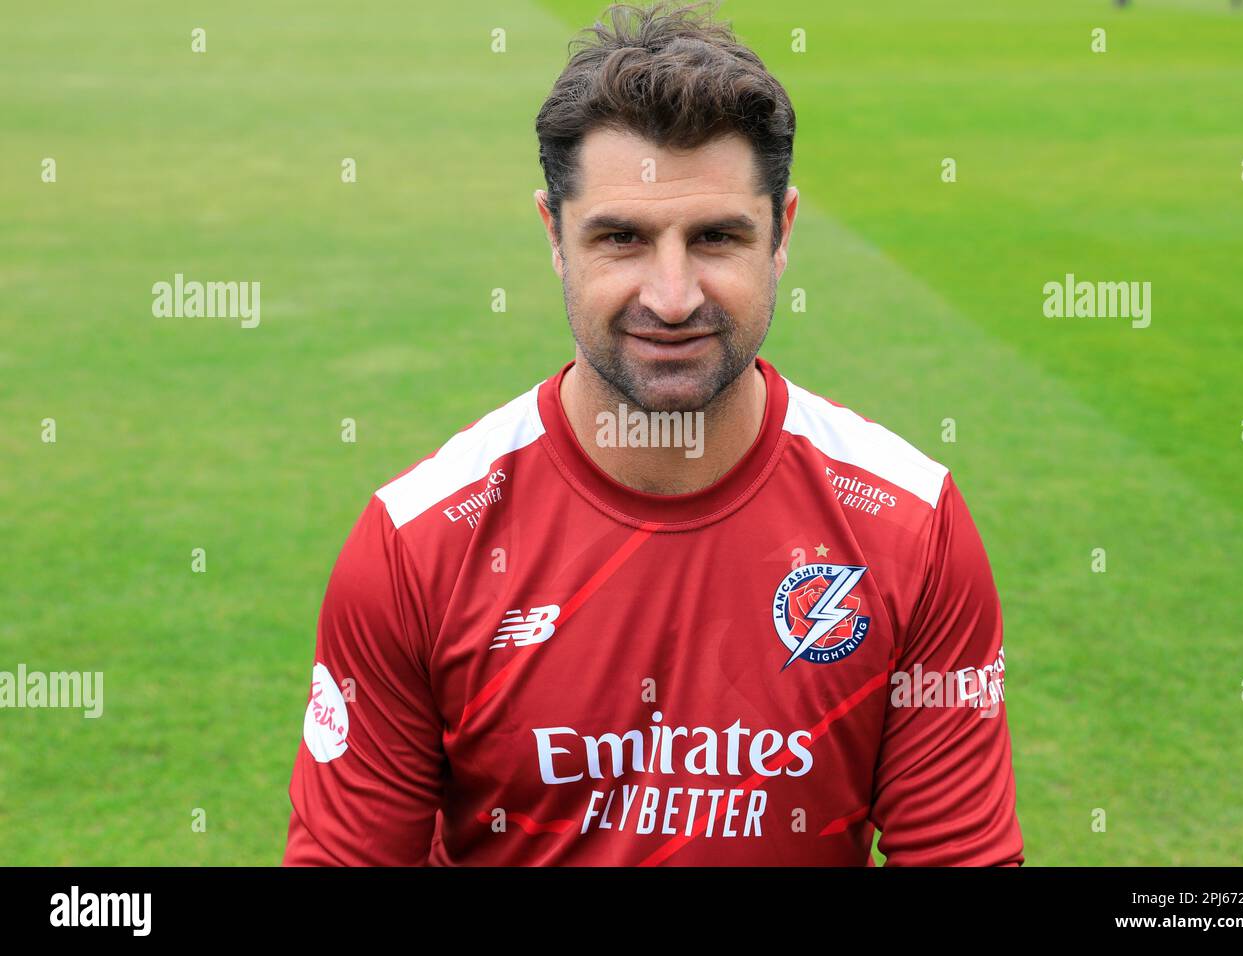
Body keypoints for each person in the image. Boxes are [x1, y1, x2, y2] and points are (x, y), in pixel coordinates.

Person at [282, 0, 1024, 866]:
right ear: (554, 236)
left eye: (715, 237)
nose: (671, 298)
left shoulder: (909, 524)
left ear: (781, 234)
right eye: (622, 238)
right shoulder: (419, 544)